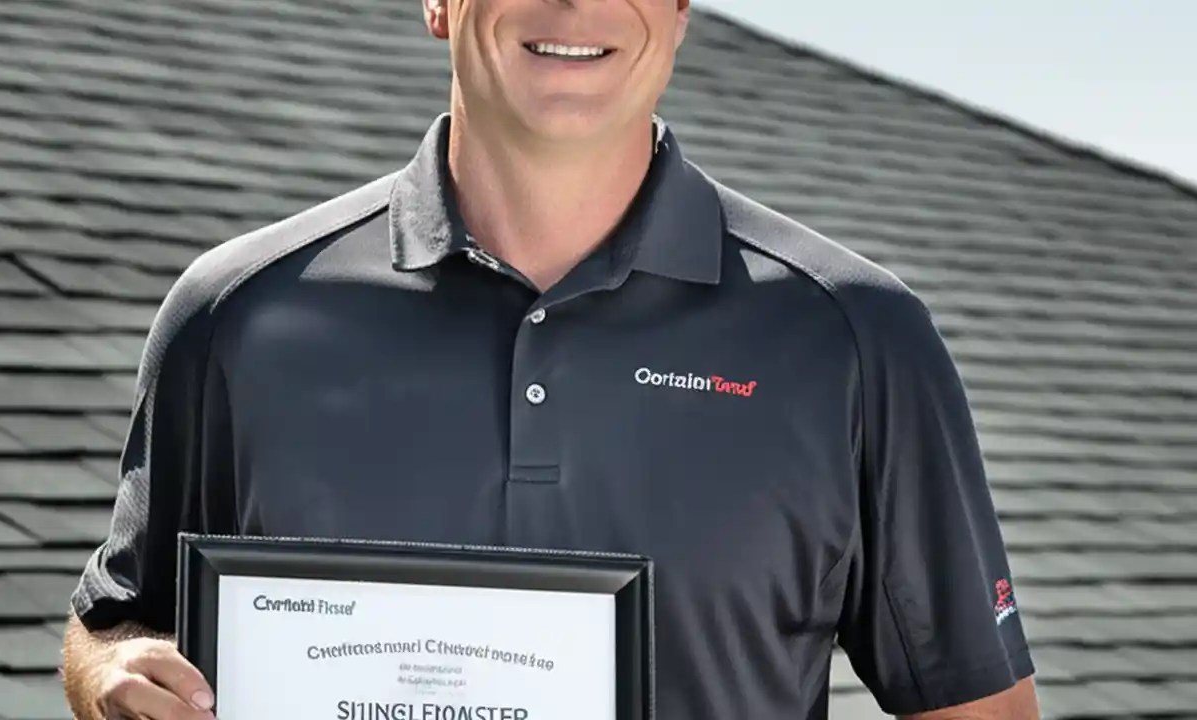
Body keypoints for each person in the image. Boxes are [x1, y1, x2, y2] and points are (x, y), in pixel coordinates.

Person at [61, 1, 1041, 718]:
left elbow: (974, 708)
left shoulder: (855, 337)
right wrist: (110, 674)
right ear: (439, 5)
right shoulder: (237, 314)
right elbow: (117, 622)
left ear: (678, 11)